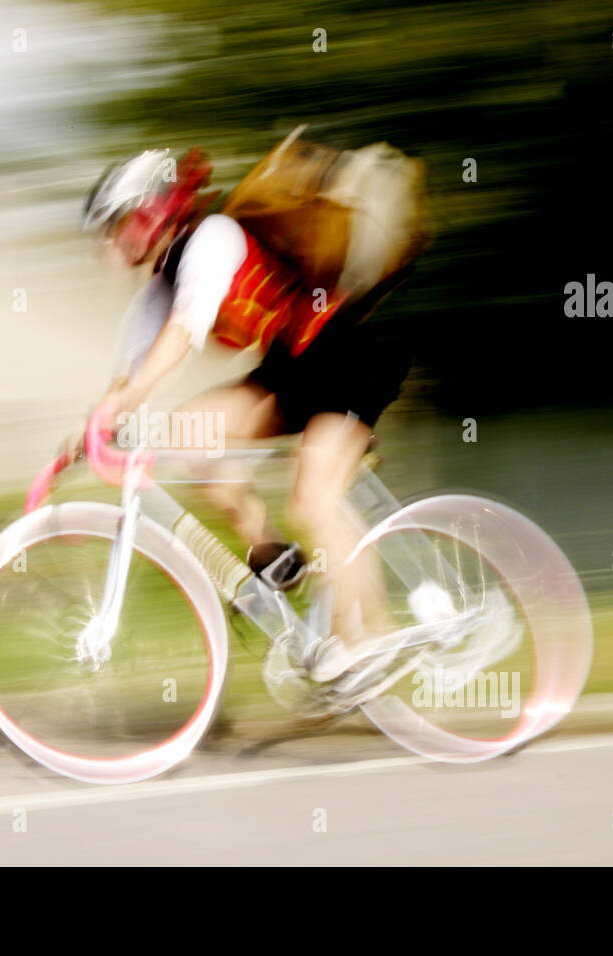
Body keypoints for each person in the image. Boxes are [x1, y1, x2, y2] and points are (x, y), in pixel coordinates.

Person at [66, 146, 415, 683]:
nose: (109, 243)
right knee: (184, 434)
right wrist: (90, 430)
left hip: (346, 353)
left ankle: (370, 636)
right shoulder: (157, 290)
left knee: (314, 502)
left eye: (114, 227)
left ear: (147, 213)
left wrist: (123, 400)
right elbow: (127, 375)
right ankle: (274, 555)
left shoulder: (214, 239)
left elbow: (181, 336)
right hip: (291, 369)